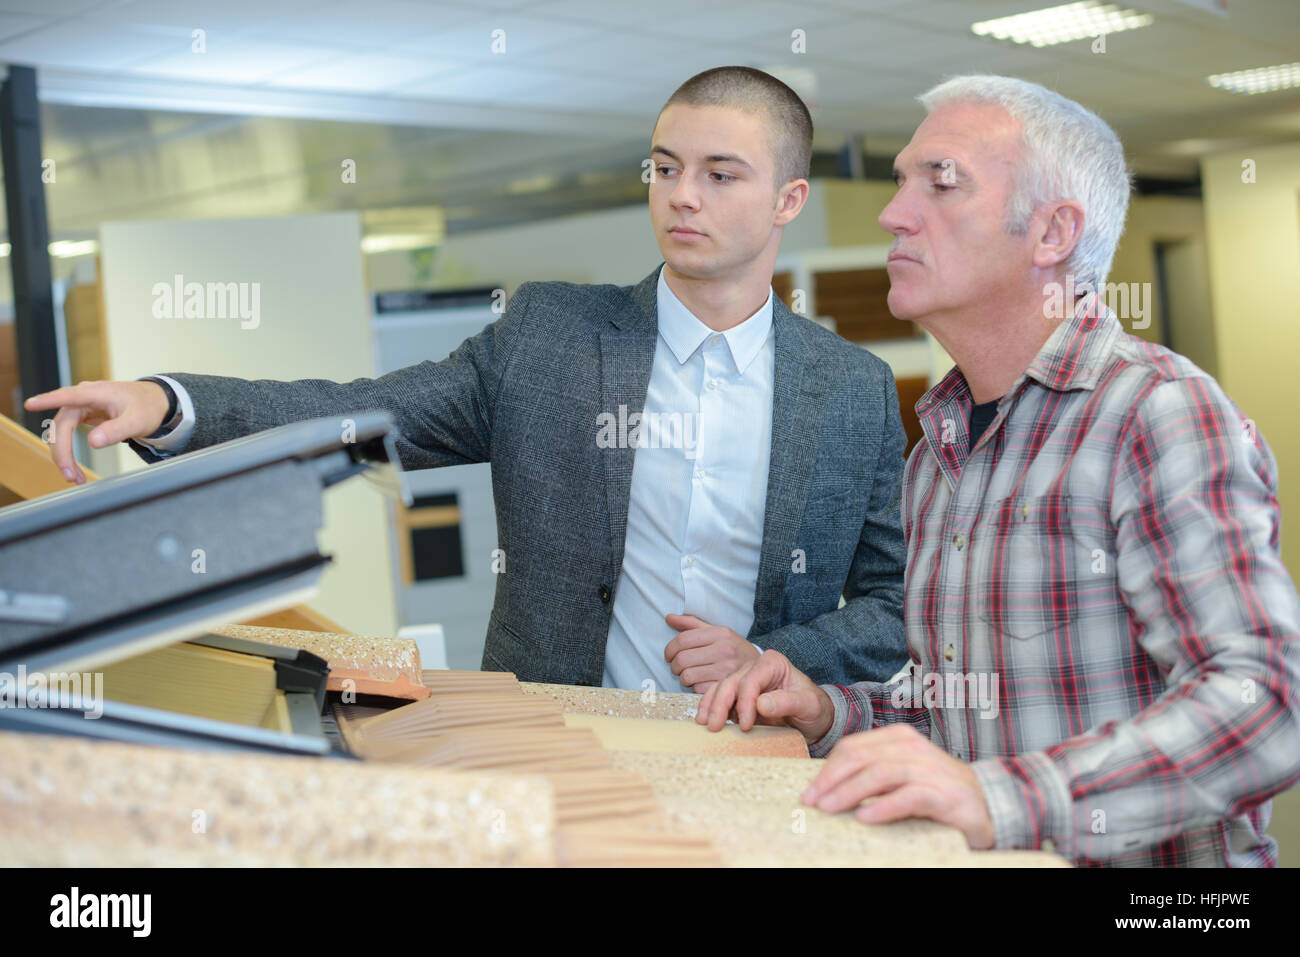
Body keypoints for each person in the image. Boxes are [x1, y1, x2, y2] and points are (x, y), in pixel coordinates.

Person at [24, 67, 909, 694]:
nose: (682, 195)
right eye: (666, 167)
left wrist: (773, 656)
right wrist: (171, 404)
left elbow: (892, 603)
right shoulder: (549, 336)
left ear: (789, 201)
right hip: (551, 744)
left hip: (750, 757)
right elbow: (361, 414)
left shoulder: (852, 389)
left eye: (721, 175)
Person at [697, 74, 1300, 866]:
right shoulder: (937, 456)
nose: (893, 213)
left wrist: (1004, 801)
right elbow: (963, 718)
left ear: (1052, 233)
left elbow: (1265, 705)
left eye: (940, 184)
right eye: (900, 181)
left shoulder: (1155, 413)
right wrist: (826, 712)